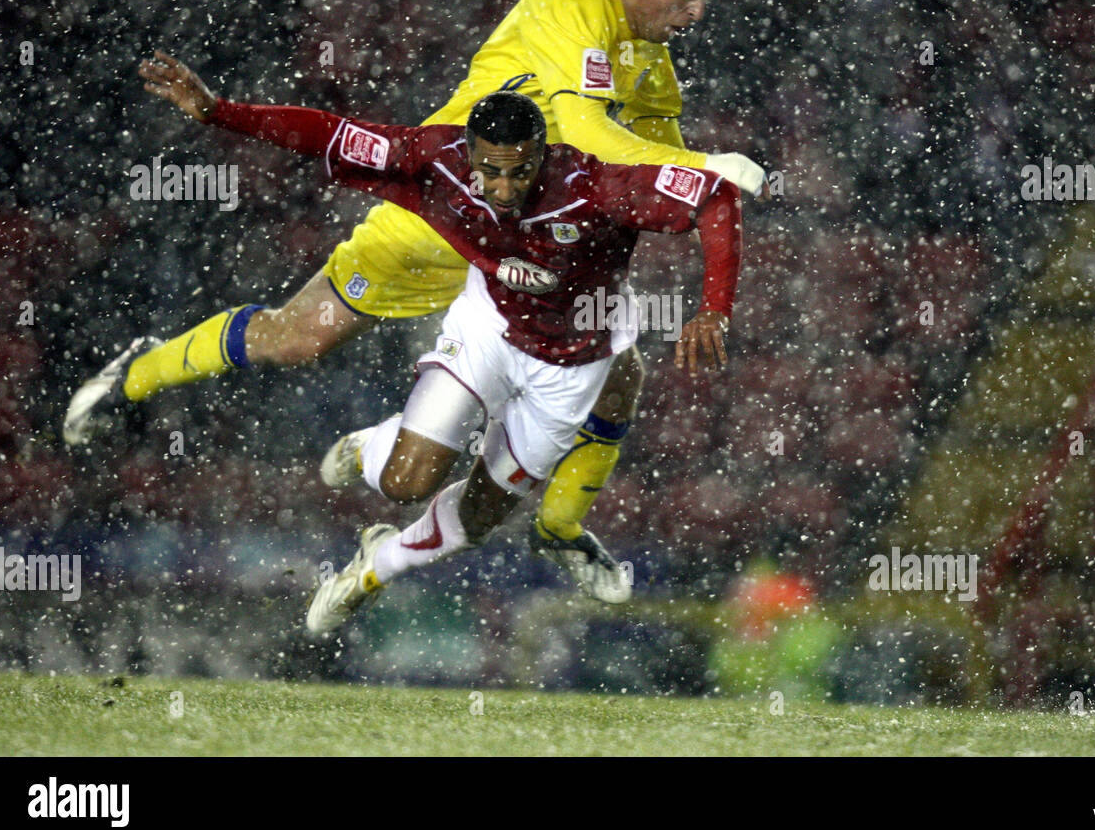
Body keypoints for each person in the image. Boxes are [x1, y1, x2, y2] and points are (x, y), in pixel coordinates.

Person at [64, 0, 764, 584]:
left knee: (617, 366)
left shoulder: (650, 60)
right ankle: (138, 373)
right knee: (300, 336)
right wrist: (710, 164)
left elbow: (655, 163)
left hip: (530, 243)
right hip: (444, 210)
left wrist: (699, 186)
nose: (697, 12)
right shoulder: (578, 4)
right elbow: (584, 131)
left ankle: (559, 527)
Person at [180, 84, 740, 630]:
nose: (502, 187)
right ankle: (370, 444)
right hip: (486, 334)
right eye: (489, 170)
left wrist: (713, 308)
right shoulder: (434, 159)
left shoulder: (594, 186)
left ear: (542, 156)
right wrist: (218, 112)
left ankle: (376, 565)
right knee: (405, 482)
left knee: (477, 521)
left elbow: (716, 196)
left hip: (571, 366)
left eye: (519, 171)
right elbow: (331, 134)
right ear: (468, 152)